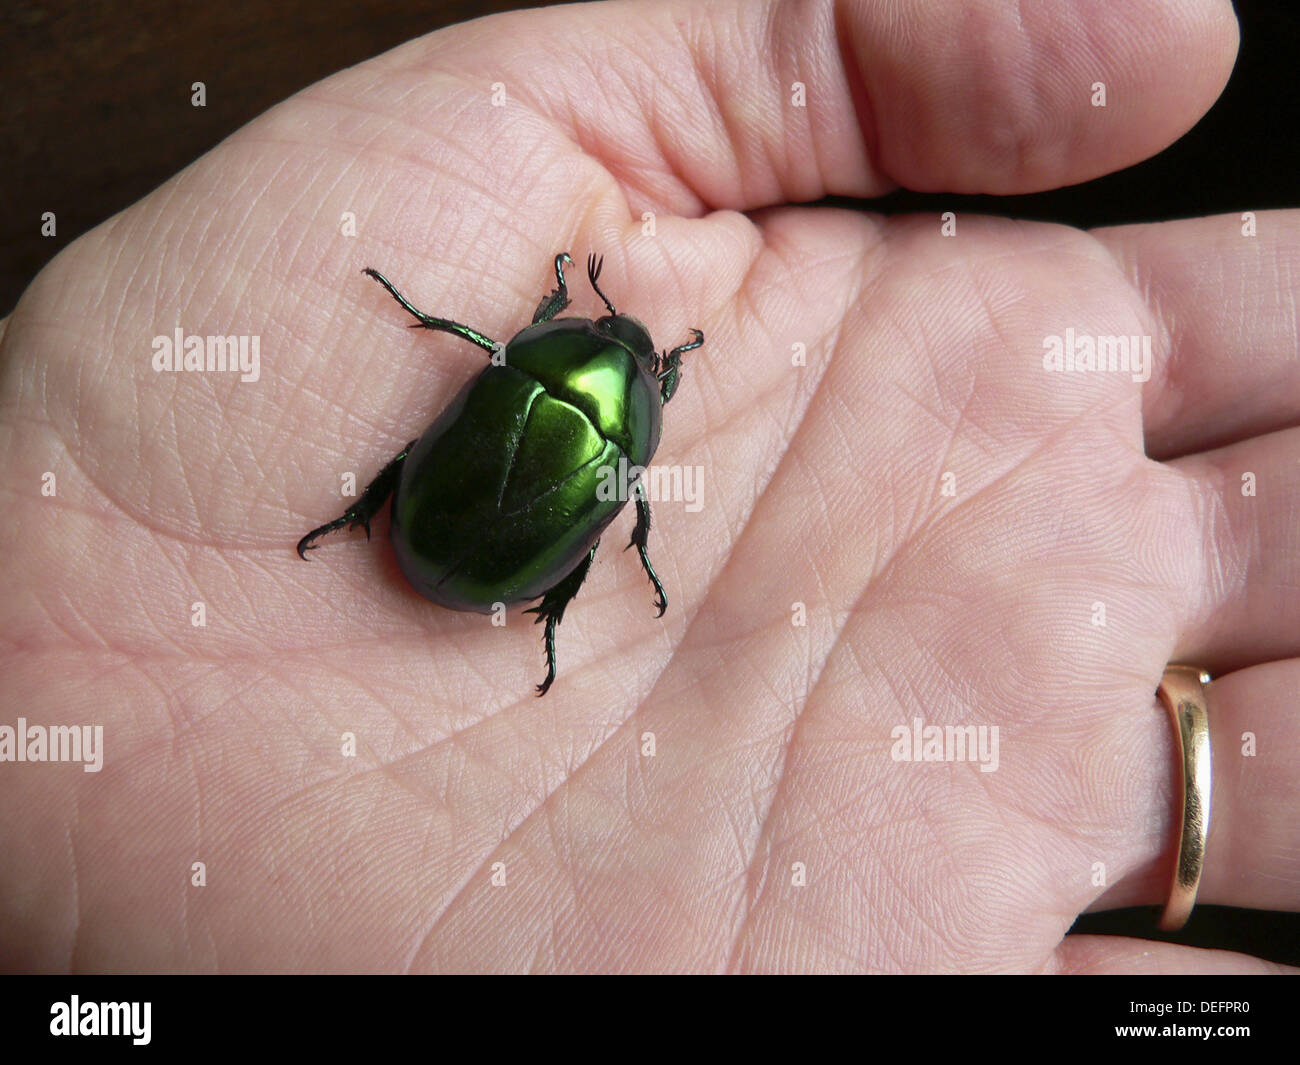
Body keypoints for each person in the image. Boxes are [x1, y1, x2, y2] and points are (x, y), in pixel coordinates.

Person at [0, 0, 1289, 973]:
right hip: (492, 558)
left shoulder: (524, 366)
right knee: (592, 528)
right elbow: (620, 470)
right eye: (627, 347)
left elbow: (524, 370)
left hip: (459, 530)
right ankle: (436, 566)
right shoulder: (618, 449)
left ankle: (366, 533)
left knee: (488, 481)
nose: (616, 345)